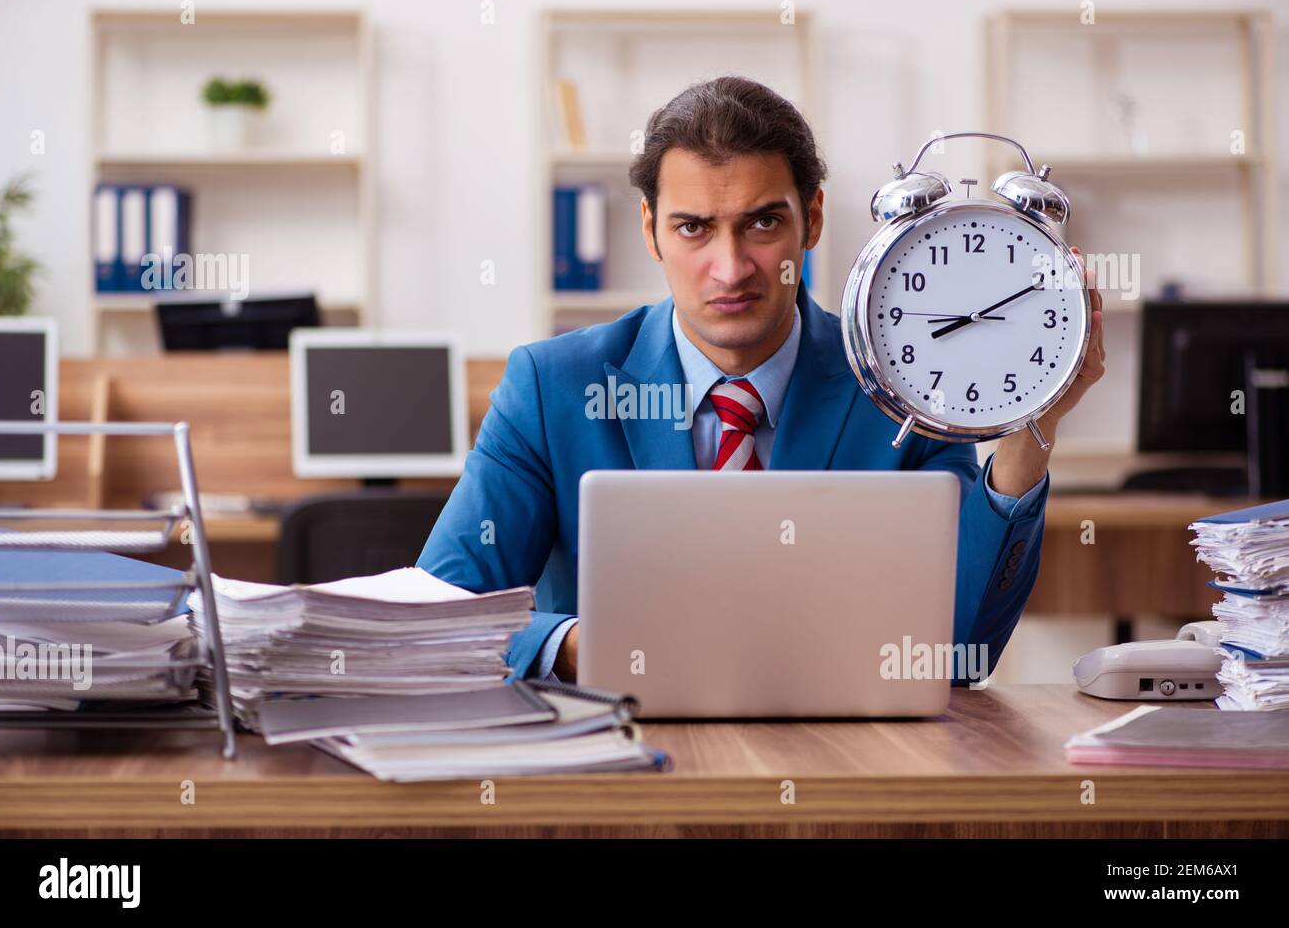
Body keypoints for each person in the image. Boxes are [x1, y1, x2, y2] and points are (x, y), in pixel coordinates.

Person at [418, 76, 1107, 683]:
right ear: (651, 232)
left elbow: (961, 652)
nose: (731, 266)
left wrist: (1031, 428)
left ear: (811, 219)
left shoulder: (904, 381)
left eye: (762, 223)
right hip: (621, 762)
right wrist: (573, 644)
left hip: (839, 773)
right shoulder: (549, 388)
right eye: (694, 228)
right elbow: (437, 617)